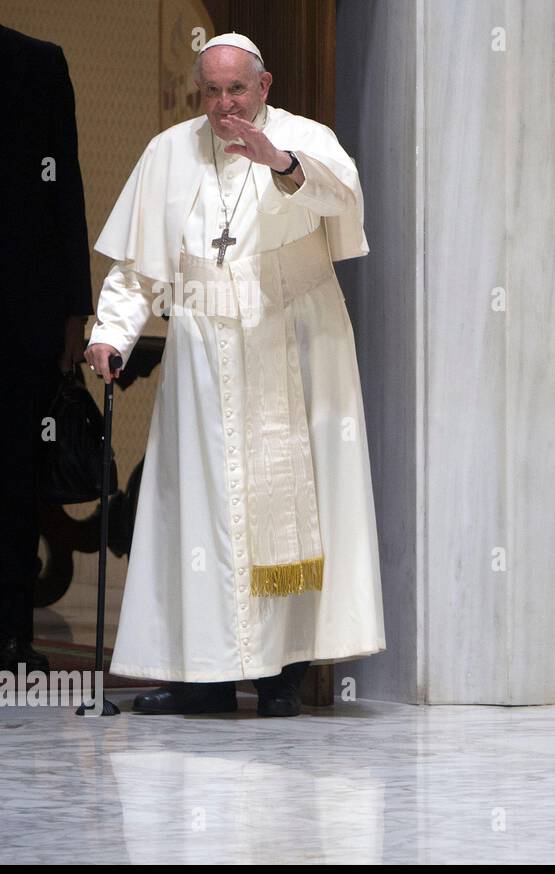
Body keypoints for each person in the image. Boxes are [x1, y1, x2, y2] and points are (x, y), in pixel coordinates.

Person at [84, 33, 385, 716]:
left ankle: (281, 677)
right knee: (202, 514)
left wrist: (279, 162)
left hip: (294, 339)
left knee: (293, 508)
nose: (224, 105)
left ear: (265, 85)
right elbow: (139, 266)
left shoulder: (306, 139)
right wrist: (111, 333)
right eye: (212, 92)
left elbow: (341, 200)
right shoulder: (169, 153)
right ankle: (205, 679)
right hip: (200, 353)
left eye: (237, 90)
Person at [0, 26, 93, 675]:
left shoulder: (37, 64)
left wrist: (74, 311)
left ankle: (10, 633)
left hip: (21, 313)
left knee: (13, 478)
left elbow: (66, 187)